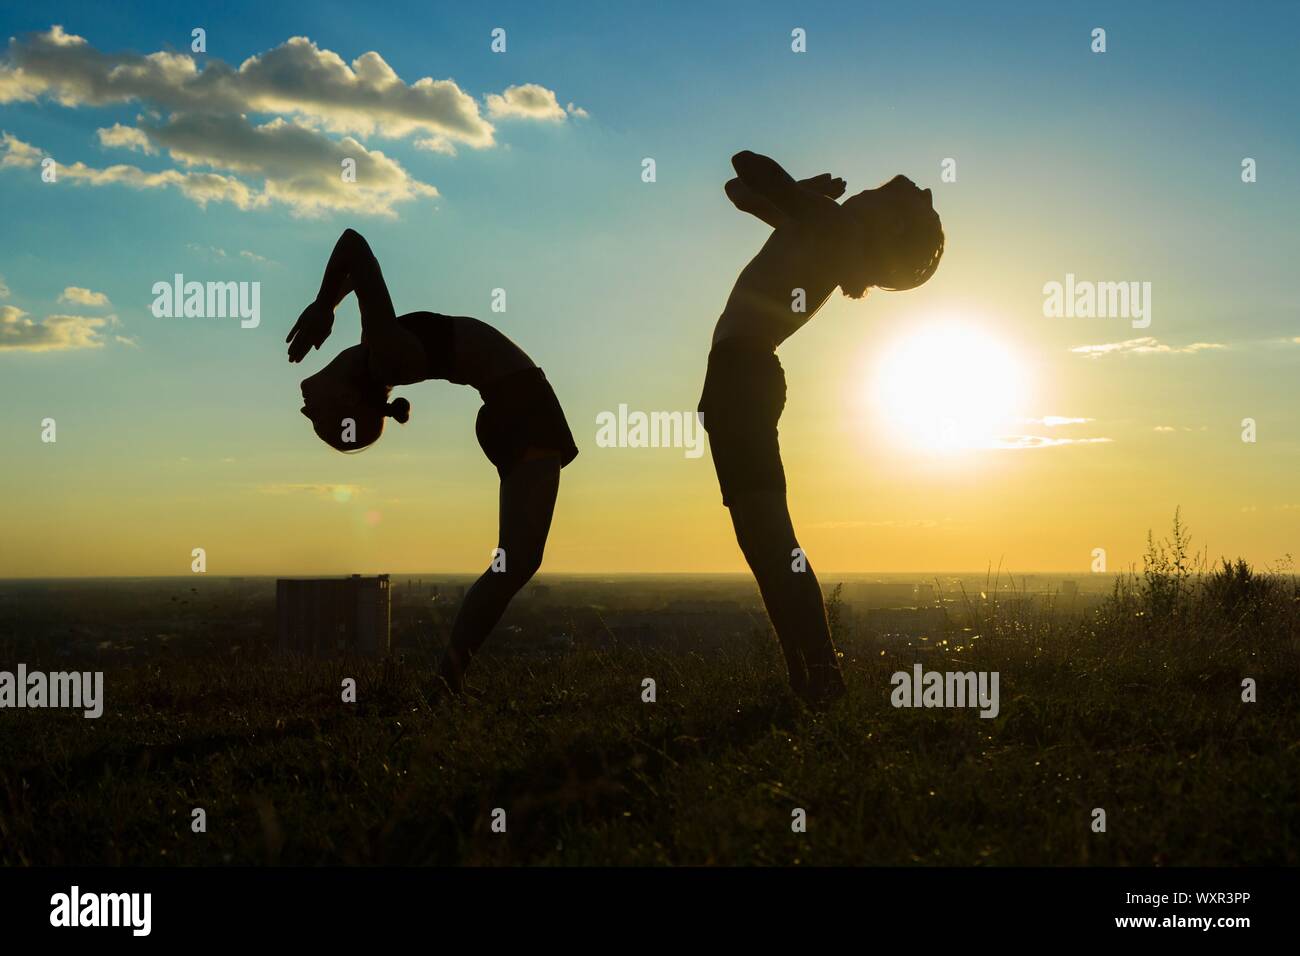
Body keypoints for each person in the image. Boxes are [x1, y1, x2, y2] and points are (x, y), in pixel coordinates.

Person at [698, 151, 944, 704]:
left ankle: (821, 681)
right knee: (766, 544)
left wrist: (798, 191)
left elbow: (747, 163)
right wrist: (793, 195)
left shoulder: (828, 222)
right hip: (743, 376)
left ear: (882, 219)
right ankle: (812, 681)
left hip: (743, 376)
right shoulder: (820, 223)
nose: (870, 191)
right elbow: (740, 190)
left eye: (885, 195)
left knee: (770, 543)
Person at [287, 228, 578, 695]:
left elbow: (355, 259)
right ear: (347, 397)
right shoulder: (384, 353)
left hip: (513, 407)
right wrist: (324, 306)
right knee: (517, 561)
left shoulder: (381, 353)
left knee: (517, 561)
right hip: (522, 404)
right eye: (316, 412)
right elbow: (356, 246)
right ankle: (448, 678)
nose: (305, 399)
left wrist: (327, 304)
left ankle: (449, 677)